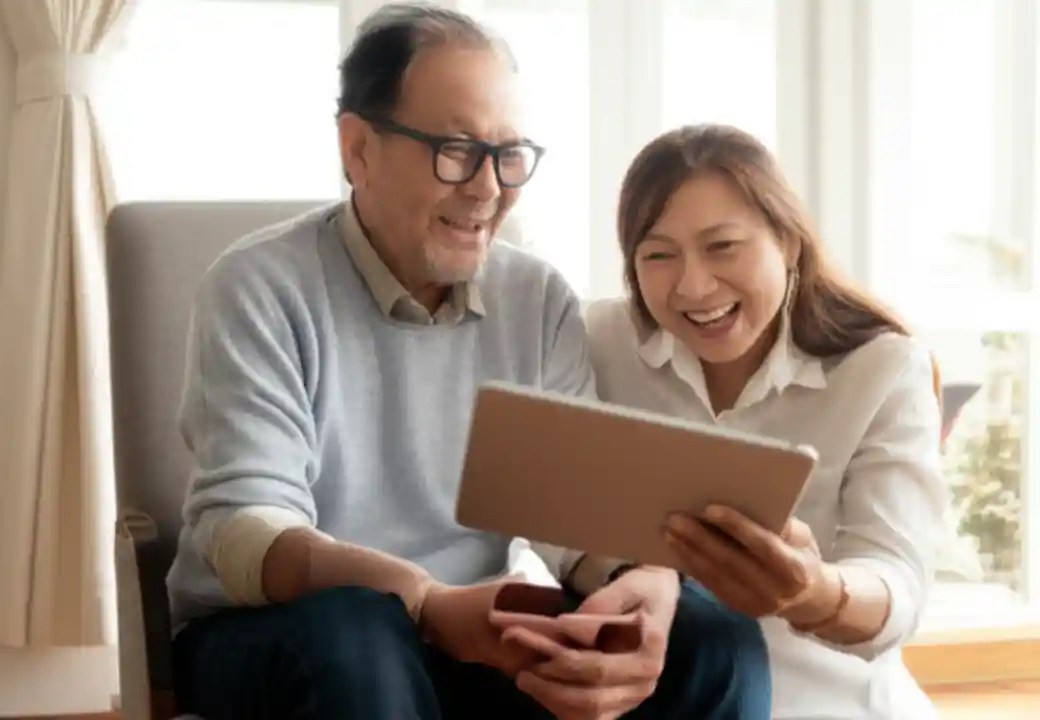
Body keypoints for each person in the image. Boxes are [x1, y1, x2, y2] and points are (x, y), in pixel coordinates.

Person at [165, 4, 770, 719]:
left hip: (472, 631)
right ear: (357, 149)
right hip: (282, 629)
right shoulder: (258, 286)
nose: (488, 187)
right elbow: (244, 530)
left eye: (509, 154)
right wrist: (424, 601)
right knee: (359, 632)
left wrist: (643, 580)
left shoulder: (535, 295)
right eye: (456, 149)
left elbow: (569, 511)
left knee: (715, 636)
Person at [582, 124, 948, 719]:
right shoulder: (600, 343)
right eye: (658, 255)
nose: (694, 286)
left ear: (789, 241)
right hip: (670, 697)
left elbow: (899, 587)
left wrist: (814, 592)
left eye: (723, 246)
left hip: (832, 702)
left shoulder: (881, 368)